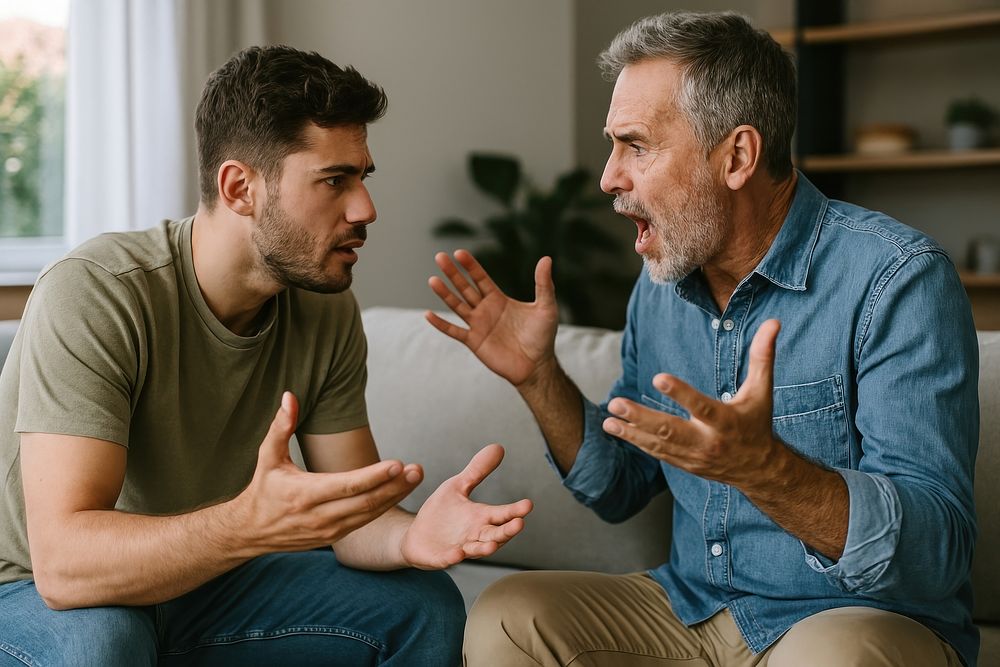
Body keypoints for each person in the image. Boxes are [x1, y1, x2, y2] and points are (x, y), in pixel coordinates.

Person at [428, 11, 979, 667]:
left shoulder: (896, 280)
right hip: (692, 608)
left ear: (737, 156)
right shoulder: (661, 285)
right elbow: (620, 486)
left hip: (845, 617)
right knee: (508, 616)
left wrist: (765, 469)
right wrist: (537, 376)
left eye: (635, 146)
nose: (608, 177)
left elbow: (934, 552)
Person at [0, 44, 533, 666]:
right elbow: (65, 566)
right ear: (239, 187)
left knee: (422, 604)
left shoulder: (322, 308)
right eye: (335, 180)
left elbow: (350, 516)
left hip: (204, 582)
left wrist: (410, 534)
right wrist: (247, 525)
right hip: (30, 588)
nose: (365, 209)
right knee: (105, 643)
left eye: (363, 178)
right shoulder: (98, 293)